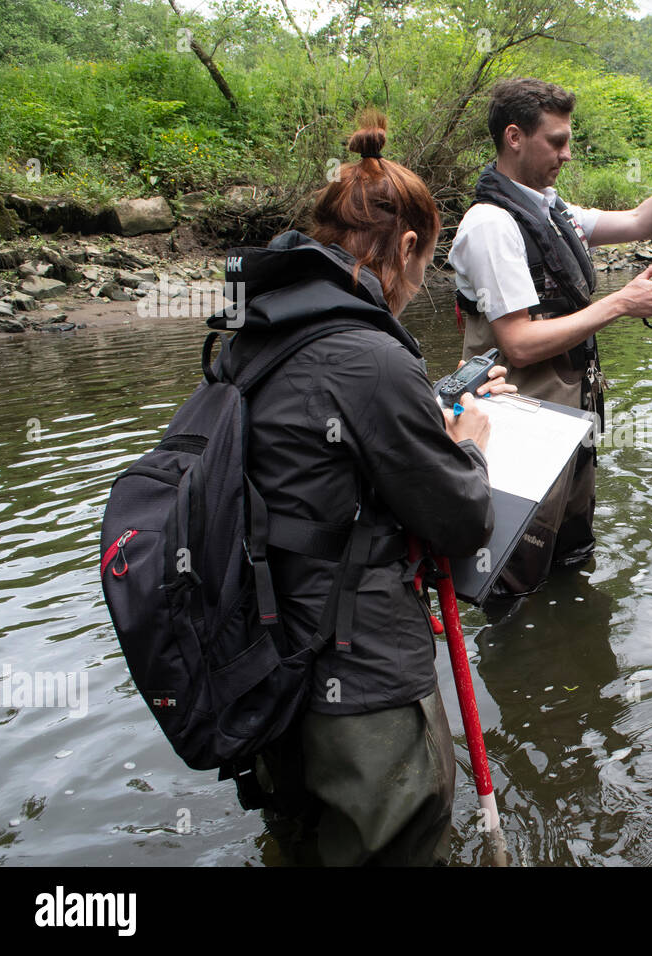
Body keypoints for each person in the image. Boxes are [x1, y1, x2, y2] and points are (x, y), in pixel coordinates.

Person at [224, 110, 516, 865]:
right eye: (428, 264)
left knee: (302, 838)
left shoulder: (255, 332)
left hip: (265, 655)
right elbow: (460, 519)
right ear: (410, 245)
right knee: (396, 838)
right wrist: (469, 447)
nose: (423, 284)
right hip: (355, 673)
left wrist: (431, 404)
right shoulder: (370, 355)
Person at [450, 77, 652, 594]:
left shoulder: (552, 209)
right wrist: (620, 303)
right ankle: (521, 660)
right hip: (520, 421)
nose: (567, 154)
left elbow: (639, 220)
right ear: (515, 137)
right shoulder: (491, 225)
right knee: (514, 571)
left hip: (569, 411)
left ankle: (575, 644)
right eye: (557, 141)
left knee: (570, 551)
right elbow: (517, 342)